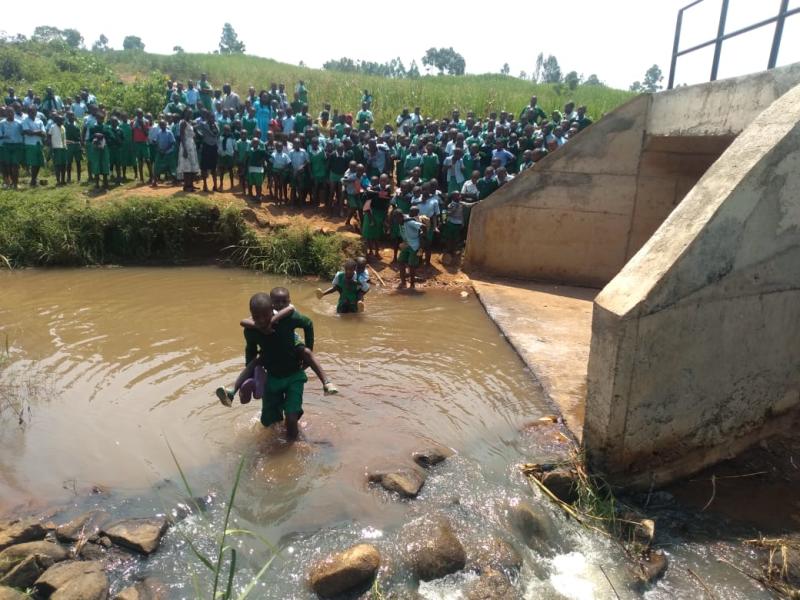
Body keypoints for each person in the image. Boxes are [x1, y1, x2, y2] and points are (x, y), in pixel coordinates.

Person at [398, 208, 426, 289]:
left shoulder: (410, 222)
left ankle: (412, 285)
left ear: (400, 217)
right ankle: (403, 282)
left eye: (397, 219)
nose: (396, 221)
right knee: (400, 261)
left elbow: (423, 226)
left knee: (411, 266)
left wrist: (422, 235)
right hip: (407, 244)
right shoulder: (405, 219)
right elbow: (408, 216)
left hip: (414, 246)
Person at [22, 107, 46, 187]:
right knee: (33, 162)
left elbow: (44, 133)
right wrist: (38, 131)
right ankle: (33, 180)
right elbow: (28, 133)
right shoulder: (25, 121)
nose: (32, 113)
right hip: (30, 144)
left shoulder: (39, 120)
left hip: (39, 143)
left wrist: (34, 132)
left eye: (34, 111)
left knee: (39, 162)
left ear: (36, 112)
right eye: (30, 111)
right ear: (28, 112)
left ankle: (34, 179)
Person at [0, 108, 24, 189]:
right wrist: (4, 136)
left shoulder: (19, 123)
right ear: (6, 114)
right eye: (8, 113)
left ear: (14, 113)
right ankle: (7, 182)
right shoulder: (2, 123)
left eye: (11, 112)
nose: (10, 114)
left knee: (15, 165)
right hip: (6, 146)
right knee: (7, 165)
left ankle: (15, 184)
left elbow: (23, 134)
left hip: (17, 146)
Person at [196, 112, 220, 192]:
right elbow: (195, 128)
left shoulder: (216, 125)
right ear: (207, 118)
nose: (212, 119)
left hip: (214, 148)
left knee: (214, 167)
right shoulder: (203, 124)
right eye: (210, 117)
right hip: (206, 147)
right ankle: (205, 185)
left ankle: (215, 186)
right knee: (204, 167)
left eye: (213, 117)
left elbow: (217, 135)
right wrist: (200, 135)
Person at [177, 109, 200, 192]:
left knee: (191, 166)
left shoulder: (190, 122)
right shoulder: (183, 122)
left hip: (191, 144)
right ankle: (187, 186)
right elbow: (182, 136)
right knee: (186, 167)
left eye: (191, 113)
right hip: (186, 144)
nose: (190, 114)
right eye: (188, 113)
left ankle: (191, 184)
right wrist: (185, 149)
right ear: (185, 113)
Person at [151, 119, 176, 187]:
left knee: (170, 167)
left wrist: (165, 150)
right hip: (160, 152)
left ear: (165, 125)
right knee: (156, 166)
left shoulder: (169, 132)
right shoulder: (159, 133)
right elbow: (156, 141)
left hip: (168, 152)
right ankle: (154, 181)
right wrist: (155, 142)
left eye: (163, 124)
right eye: (161, 125)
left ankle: (174, 180)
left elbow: (172, 142)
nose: (162, 126)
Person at [131, 109, 151, 183]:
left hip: (144, 142)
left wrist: (142, 125)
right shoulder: (133, 122)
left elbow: (146, 134)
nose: (139, 115)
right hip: (136, 143)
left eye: (141, 113)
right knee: (139, 161)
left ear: (143, 114)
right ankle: (141, 178)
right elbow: (132, 133)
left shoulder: (146, 121)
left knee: (148, 160)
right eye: (138, 114)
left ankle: (151, 177)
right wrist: (132, 144)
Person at [47, 114, 67, 186]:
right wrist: (51, 147)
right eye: (61, 120)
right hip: (56, 148)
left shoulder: (63, 127)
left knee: (64, 165)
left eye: (62, 120)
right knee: (57, 166)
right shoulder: (52, 127)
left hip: (63, 148)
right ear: (57, 120)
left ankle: (63, 180)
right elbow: (48, 137)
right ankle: (58, 181)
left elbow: (64, 138)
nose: (62, 121)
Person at [245, 136, 267, 201]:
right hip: (251, 169)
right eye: (253, 142)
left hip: (259, 170)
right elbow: (247, 159)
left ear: (258, 143)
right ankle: (250, 195)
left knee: (258, 184)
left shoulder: (261, 151)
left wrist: (264, 164)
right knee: (251, 183)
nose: (255, 144)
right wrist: (246, 168)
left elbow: (265, 158)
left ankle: (259, 196)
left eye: (256, 143)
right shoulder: (250, 150)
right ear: (252, 143)